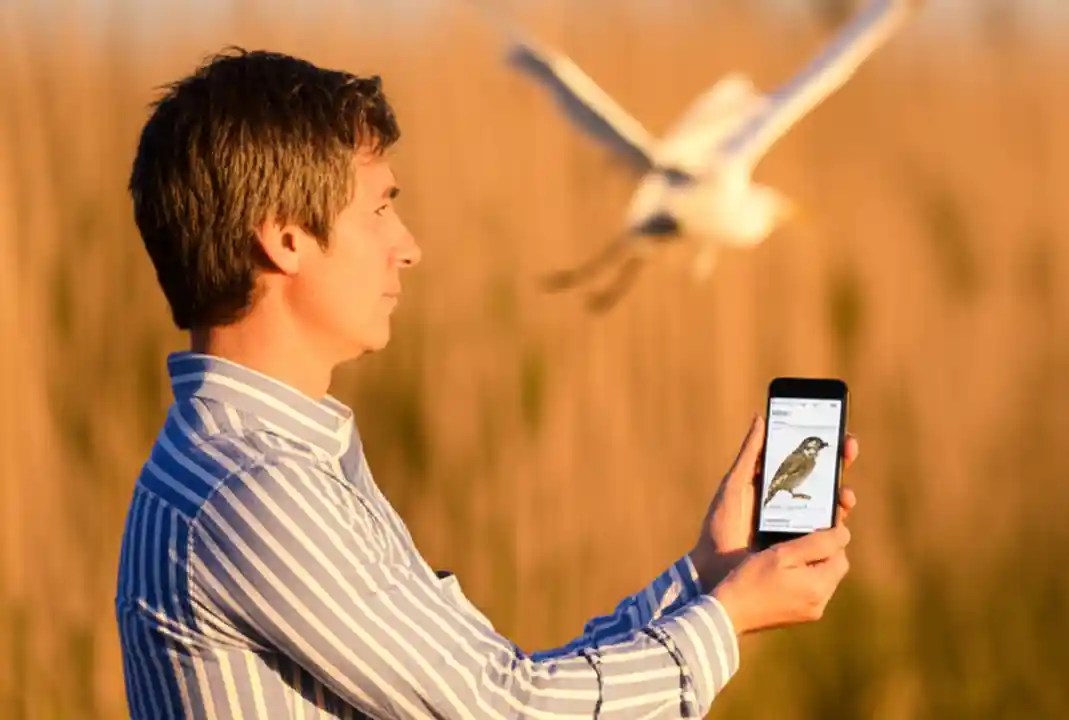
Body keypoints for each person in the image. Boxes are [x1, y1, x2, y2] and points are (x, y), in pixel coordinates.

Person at [114, 48, 858, 719]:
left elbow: (503, 685)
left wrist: (707, 577)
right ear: (284, 240)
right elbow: (510, 712)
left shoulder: (258, 462)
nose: (408, 247)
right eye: (378, 209)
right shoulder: (254, 492)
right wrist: (724, 621)